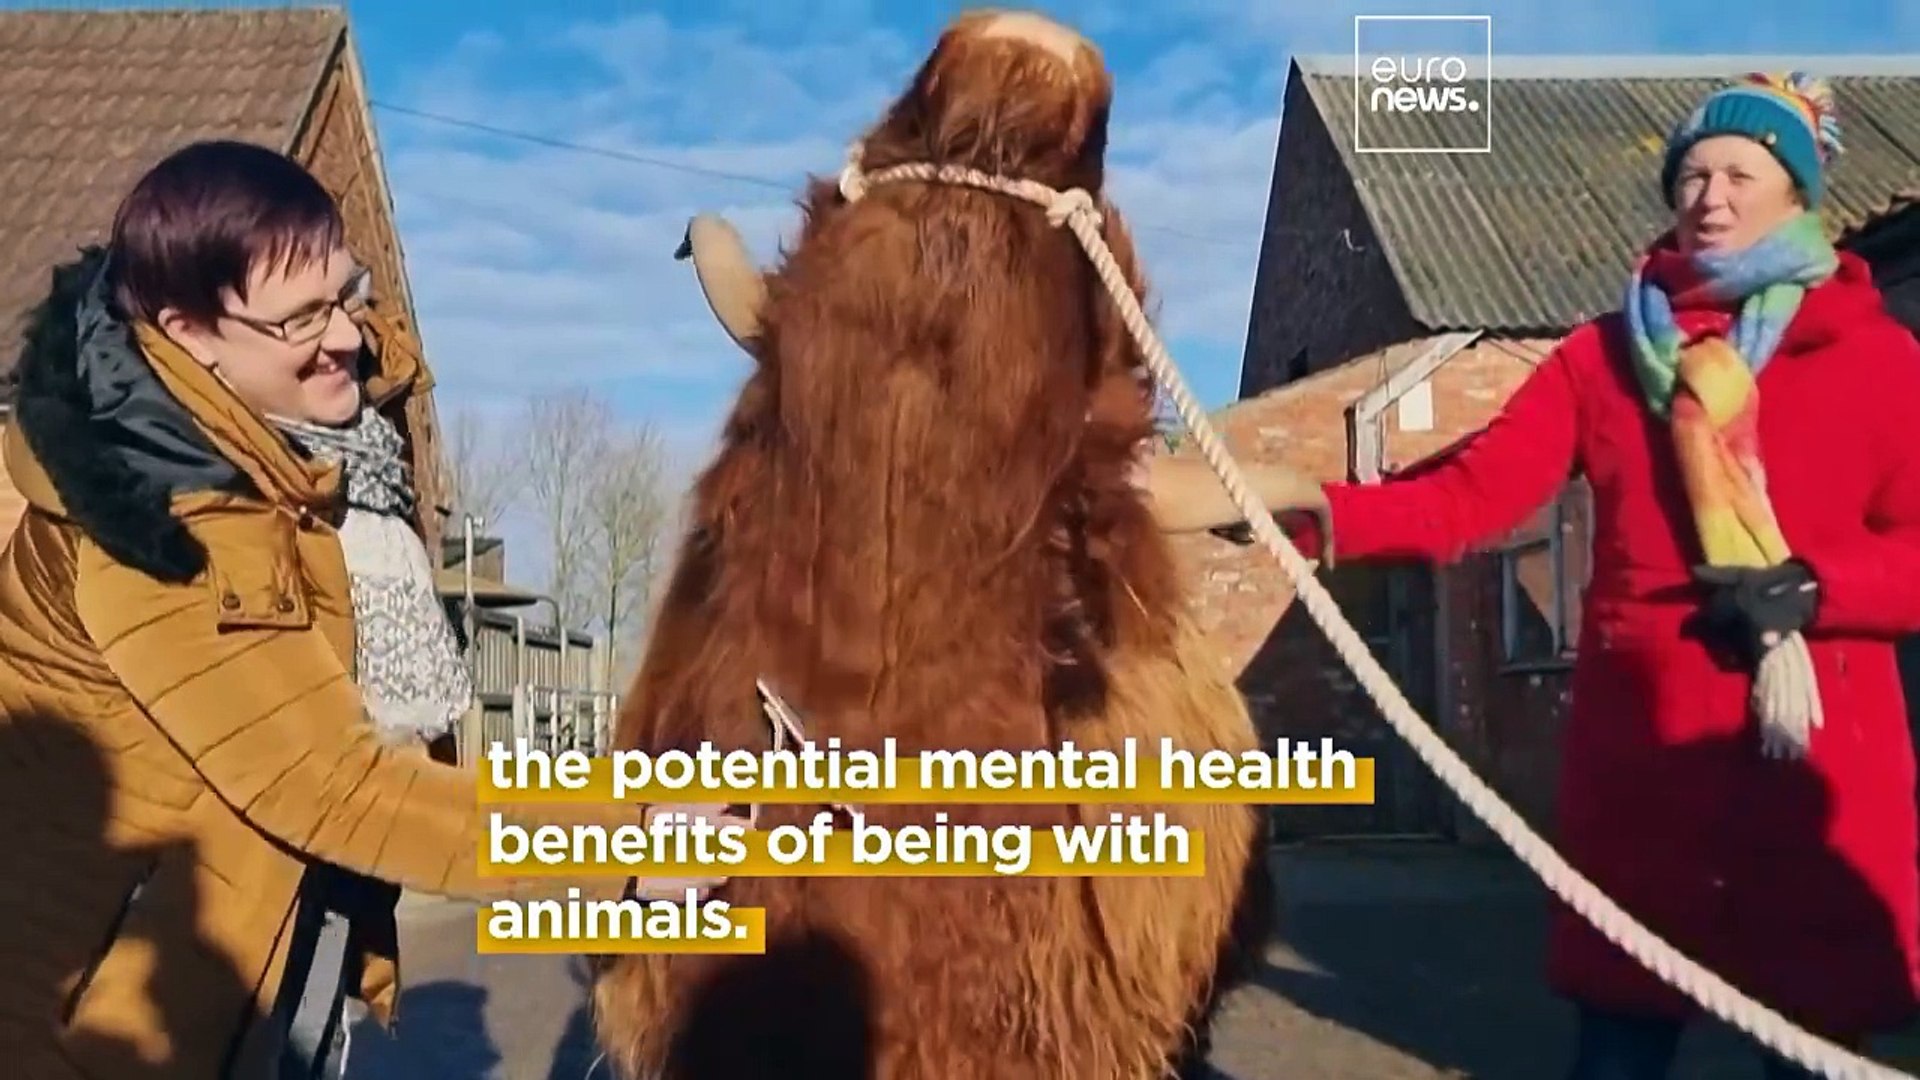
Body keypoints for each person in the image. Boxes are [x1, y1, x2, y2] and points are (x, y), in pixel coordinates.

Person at [1192, 72, 1920, 1077]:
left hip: (1812, 768)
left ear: (1798, 194)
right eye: (1693, 173)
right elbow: (1467, 496)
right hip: (1645, 770)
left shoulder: (1878, 361)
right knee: (1618, 1046)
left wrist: (1817, 587)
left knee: (1813, 1050)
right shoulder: (1601, 359)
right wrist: (1300, 515)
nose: (1709, 194)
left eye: (1740, 172)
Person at [0, 139, 743, 1080]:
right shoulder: (169, 526)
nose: (346, 335)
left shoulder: (260, 429)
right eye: (302, 317)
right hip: (116, 1016)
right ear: (188, 333)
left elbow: (367, 360)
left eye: (345, 293)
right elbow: (336, 787)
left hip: (252, 940)